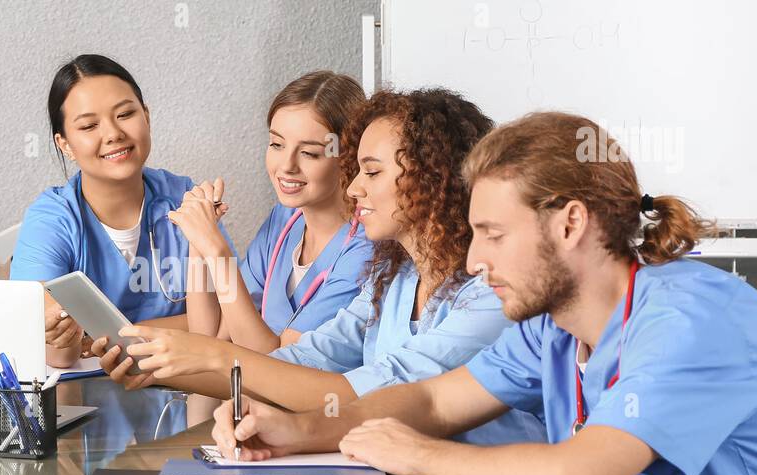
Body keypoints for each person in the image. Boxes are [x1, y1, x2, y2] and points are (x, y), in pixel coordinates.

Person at [211, 111, 757, 475]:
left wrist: (419, 454)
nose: (475, 261)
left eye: (494, 234)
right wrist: (302, 430)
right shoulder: (551, 328)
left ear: (570, 224)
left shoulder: (693, 317)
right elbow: (432, 400)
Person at [96, 89, 543, 445]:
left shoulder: (493, 296)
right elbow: (300, 362)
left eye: (371, 172)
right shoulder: (395, 278)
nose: (353, 189)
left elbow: (370, 393)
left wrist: (212, 354)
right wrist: (157, 368)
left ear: (432, 176)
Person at [10, 54, 230, 368]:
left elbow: (230, 320)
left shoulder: (186, 200)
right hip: (89, 404)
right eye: (88, 125)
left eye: (125, 114)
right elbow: (52, 349)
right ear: (65, 145)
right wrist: (183, 329)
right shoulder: (52, 220)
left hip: (182, 395)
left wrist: (98, 338)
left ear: (147, 117)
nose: (113, 133)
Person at [167, 71, 371, 350]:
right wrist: (198, 240)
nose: (286, 165)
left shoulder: (365, 250)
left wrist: (217, 251)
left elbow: (274, 362)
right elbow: (210, 336)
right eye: (276, 144)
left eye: (309, 153)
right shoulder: (284, 221)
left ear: (348, 157)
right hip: (246, 391)